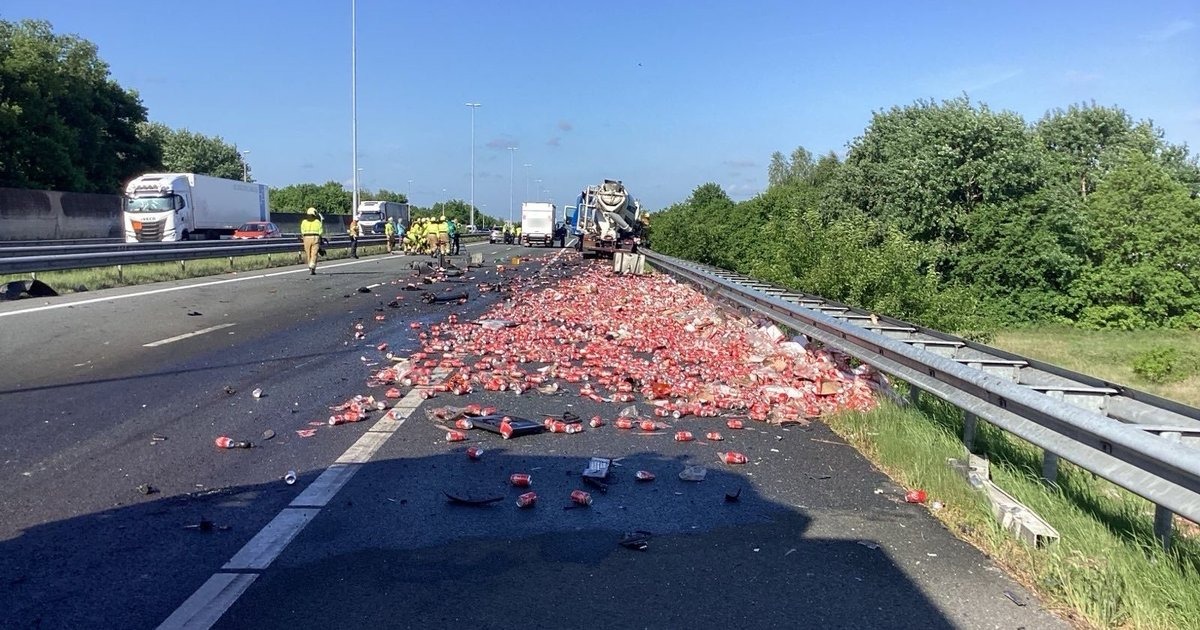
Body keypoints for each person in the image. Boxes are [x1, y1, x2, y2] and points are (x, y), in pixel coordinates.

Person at [299, 207, 324, 275]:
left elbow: (302, 231)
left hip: (306, 238)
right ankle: (312, 266)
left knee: (308, 253)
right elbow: (321, 231)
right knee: (314, 253)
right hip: (315, 237)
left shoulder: (304, 222)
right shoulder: (317, 222)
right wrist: (320, 238)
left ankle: (310, 267)